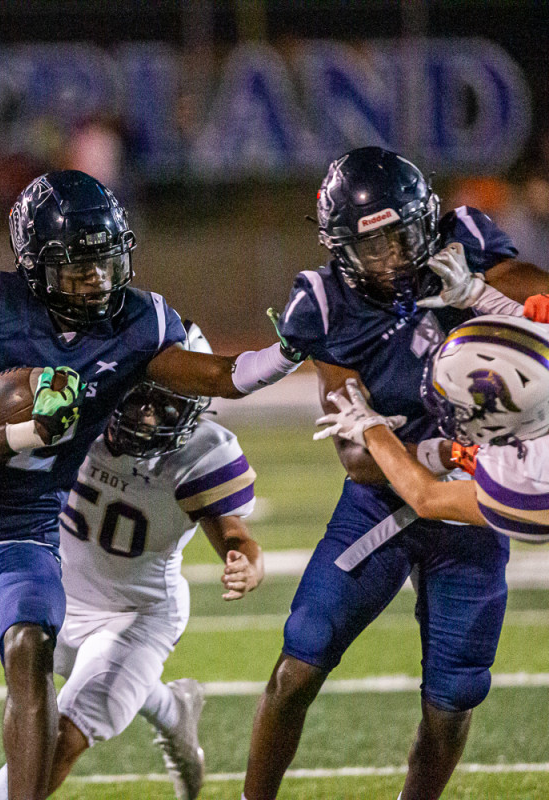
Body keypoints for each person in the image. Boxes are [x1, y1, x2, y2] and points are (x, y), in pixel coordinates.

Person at [0, 170, 301, 800]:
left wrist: (290, 350)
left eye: (105, 263)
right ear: (36, 268)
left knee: (30, 644)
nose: (98, 281)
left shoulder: (139, 323)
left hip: (23, 534)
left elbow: (219, 376)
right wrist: (26, 434)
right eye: (78, 269)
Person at [0, 232, 265, 800]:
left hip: (135, 614)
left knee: (60, 737)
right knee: (79, 687)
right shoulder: (79, 413)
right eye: (138, 396)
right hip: (61, 590)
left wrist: (244, 559)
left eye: (163, 402)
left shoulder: (203, 452)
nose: (144, 415)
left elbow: (232, 531)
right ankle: (172, 708)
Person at [241, 146, 549, 800]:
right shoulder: (324, 303)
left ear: (426, 220)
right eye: (369, 245)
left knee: (452, 699)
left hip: (474, 495)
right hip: (381, 500)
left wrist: (479, 286)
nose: (388, 258)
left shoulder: (462, 243)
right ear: (339, 247)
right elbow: (355, 455)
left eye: (398, 237)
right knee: (300, 658)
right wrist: (415, 447)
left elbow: (541, 296)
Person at [315, 315, 549, 543]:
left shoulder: (530, 476)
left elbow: (427, 498)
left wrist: (371, 428)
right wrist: (475, 291)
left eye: (460, 407)